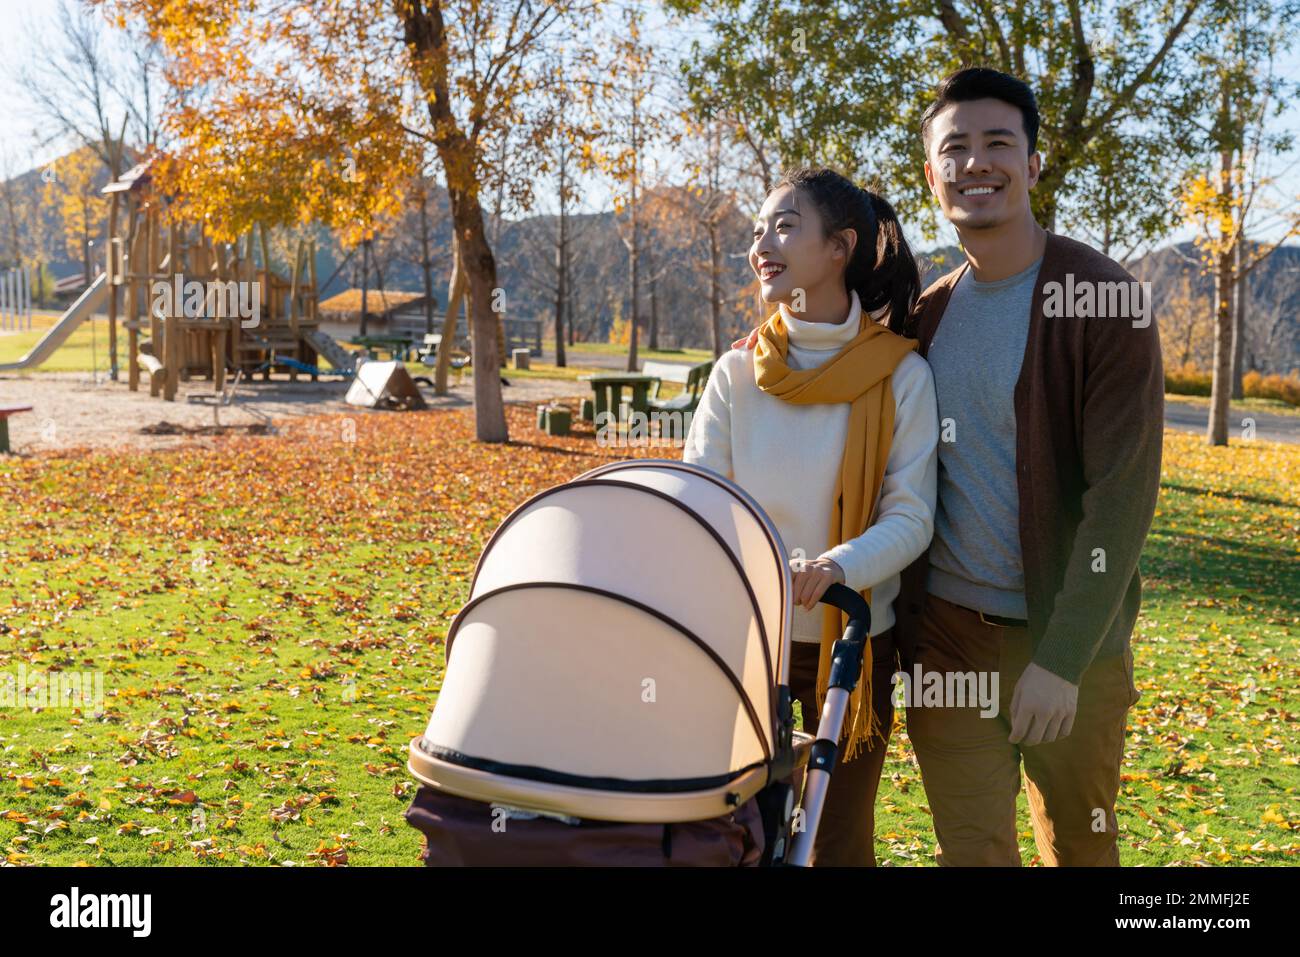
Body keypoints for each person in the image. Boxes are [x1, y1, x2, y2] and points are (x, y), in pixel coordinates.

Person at [735, 68, 1163, 866]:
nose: (976, 163)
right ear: (931, 175)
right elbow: (845, 363)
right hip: (947, 647)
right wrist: (761, 353)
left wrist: (1061, 663)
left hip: (1072, 642)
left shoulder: (1105, 301)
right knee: (972, 852)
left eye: (998, 143)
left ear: (1034, 164)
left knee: (1080, 848)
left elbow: (1122, 503)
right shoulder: (927, 317)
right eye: (954, 149)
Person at [683, 165, 939, 866]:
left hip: (854, 644)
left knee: (837, 842)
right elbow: (702, 499)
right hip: (745, 641)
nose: (762, 242)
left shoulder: (901, 376)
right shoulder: (736, 373)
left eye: (785, 225)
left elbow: (911, 516)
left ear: (839, 248)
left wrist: (837, 567)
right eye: (758, 229)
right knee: (729, 831)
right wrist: (764, 571)